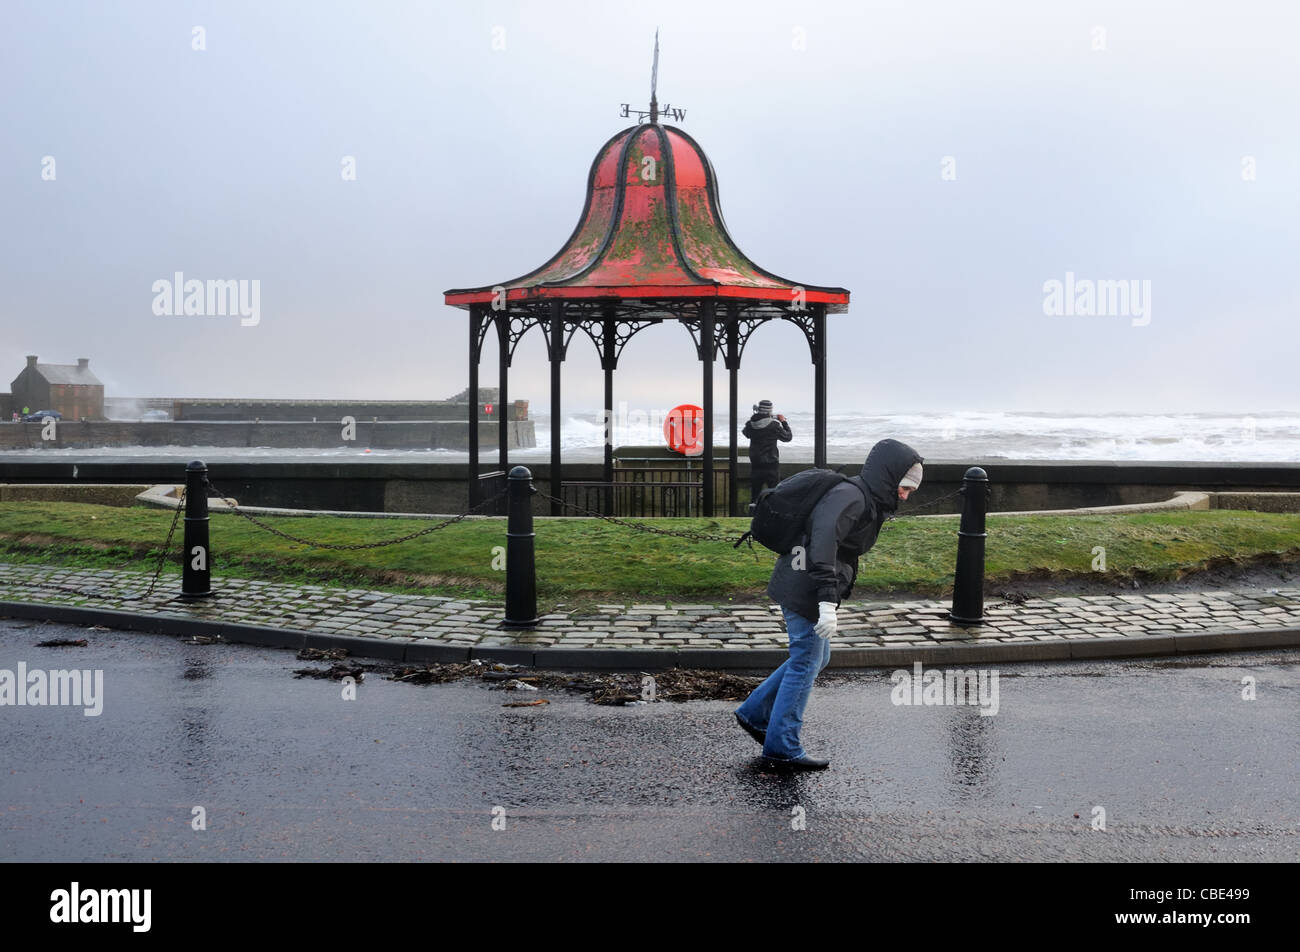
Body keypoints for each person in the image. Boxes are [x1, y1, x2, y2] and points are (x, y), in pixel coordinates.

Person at [734, 438, 924, 771]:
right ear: (889, 477)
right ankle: (782, 746)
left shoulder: (868, 498)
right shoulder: (851, 497)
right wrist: (825, 602)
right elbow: (822, 544)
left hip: (804, 583)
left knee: (816, 657)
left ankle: (755, 713)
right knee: (806, 659)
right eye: (905, 486)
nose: (906, 494)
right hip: (804, 586)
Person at [743, 399, 792, 507]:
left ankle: (753, 515)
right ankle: (772, 516)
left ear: (759, 410)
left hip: (756, 464)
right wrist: (783, 422)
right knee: (774, 493)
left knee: (755, 495)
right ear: (770, 411)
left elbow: (746, 433)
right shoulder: (774, 425)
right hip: (771, 464)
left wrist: (755, 417)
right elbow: (788, 437)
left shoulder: (751, 424)